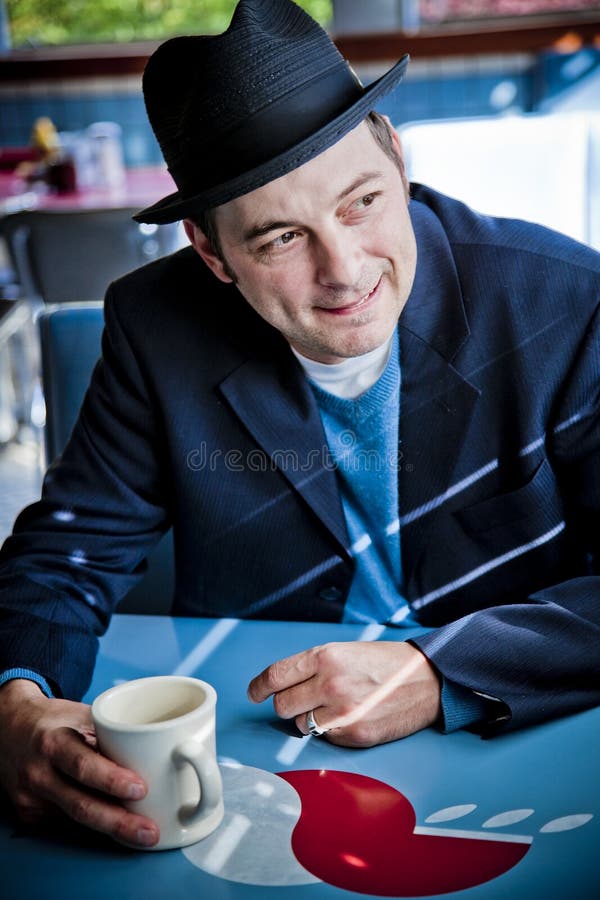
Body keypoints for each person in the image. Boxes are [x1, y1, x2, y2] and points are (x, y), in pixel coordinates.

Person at [0, 0, 599, 850]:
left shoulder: (568, 302)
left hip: (523, 748)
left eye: (361, 203)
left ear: (397, 154)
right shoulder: (154, 329)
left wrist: (443, 670)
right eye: (281, 237)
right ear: (212, 255)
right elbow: (65, 552)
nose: (344, 271)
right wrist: (13, 699)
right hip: (253, 763)